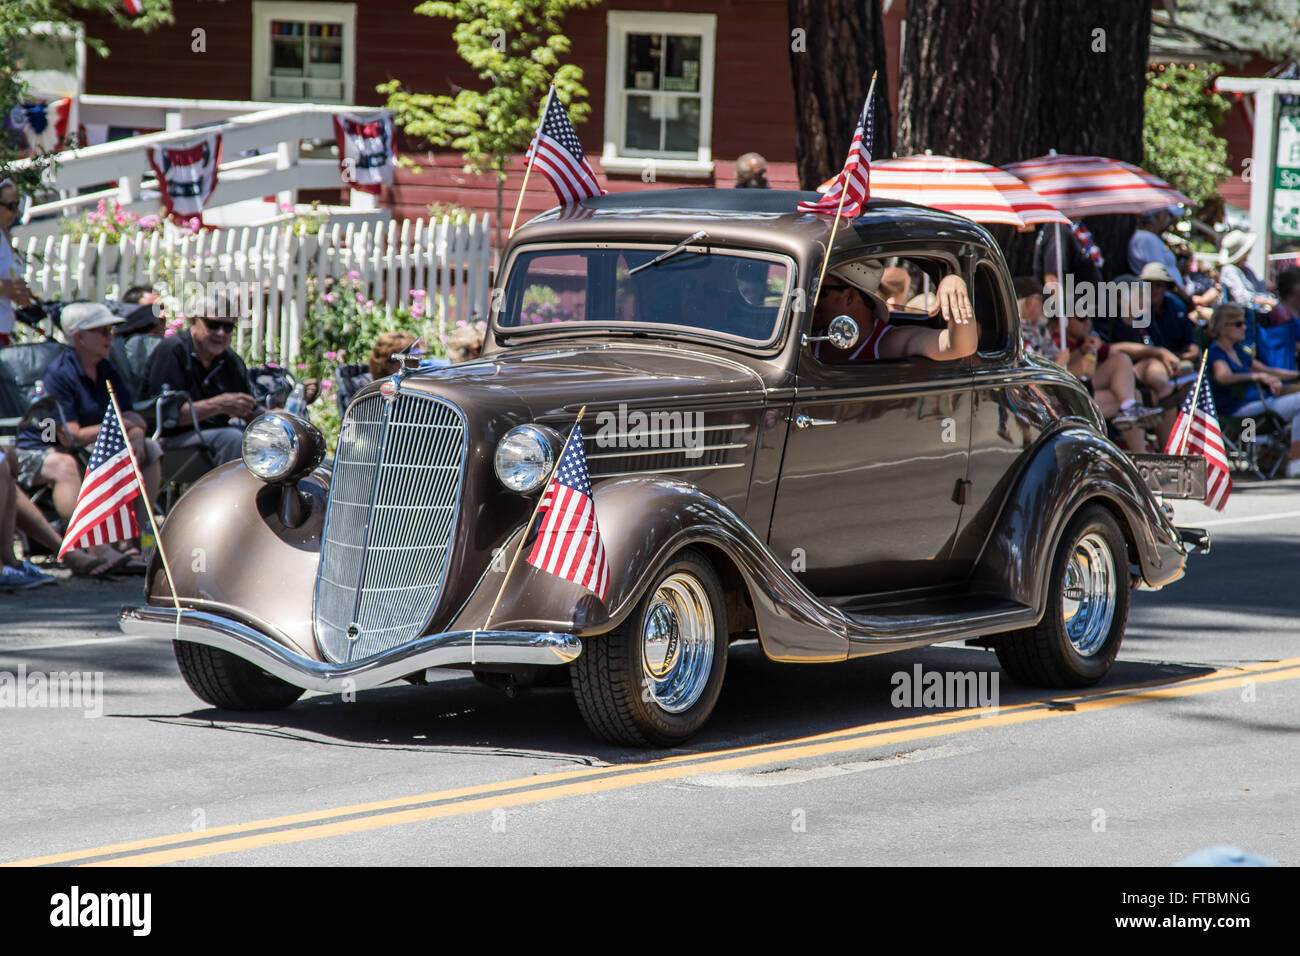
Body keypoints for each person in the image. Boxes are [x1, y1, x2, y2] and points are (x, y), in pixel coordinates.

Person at [144, 292, 261, 464]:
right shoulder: (172, 352)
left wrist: (279, 418)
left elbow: (251, 409)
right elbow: (166, 418)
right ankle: (229, 491)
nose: (221, 333)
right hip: (170, 441)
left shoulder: (229, 360)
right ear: (193, 321)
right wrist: (218, 405)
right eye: (213, 324)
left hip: (214, 436)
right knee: (233, 439)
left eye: (228, 327)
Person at [810, 261, 976, 362]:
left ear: (850, 297)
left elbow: (958, 347)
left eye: (820, 292)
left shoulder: (886, 342)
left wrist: (953, 283)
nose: (812, 301)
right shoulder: (807, 335)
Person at [1206, 303, 1300, 477]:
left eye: (1244, 323)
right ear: (1222, 327)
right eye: (1238, 324)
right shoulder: (1216, 352)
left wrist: (1295, 374)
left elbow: (1268, 370)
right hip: (1238, 412)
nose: (1244, 328)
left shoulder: (1238, 351)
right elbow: (1223, 377)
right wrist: (1255, 377)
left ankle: (1291, 459)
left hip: (1260, 403)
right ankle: (1296, 463)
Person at [1054, 311, 1161, 447]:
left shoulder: (1085, 341)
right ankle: (1128, 409)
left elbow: (1116, 352)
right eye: (1081, 318)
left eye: (1089, 317)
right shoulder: (1056, 340)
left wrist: (1159, 352)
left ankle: (1139, 457)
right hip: (1067, 402)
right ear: (1065, 320)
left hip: (1089, 392)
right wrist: (1081, 353)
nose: (1087, 323)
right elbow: (1069, 372)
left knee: (1124, 368)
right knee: (1134, 396)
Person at [0, 177, 33, 348]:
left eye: (18, 206)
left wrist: (18, 292)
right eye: (11, 206)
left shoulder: (4, 235)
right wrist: (6, 287)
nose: (17, 213)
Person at [1127, 207, 1184, 290]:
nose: (1171, 221)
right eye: (1169, 215)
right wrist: (1185, 297)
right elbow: (1158, 272)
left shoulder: (1148, 237)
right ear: (1160, 215)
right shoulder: (1147, 238)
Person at [1014, 276, 1065, 365]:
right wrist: (1060, 362)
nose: (1042, 305)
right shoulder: (1016, 333)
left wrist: (1082, 351)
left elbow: (1056, 355)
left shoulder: (1040, 330)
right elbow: (1034, 370)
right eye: (1040, 299)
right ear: (1029, 302)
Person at [1218, 230, 1273, 311]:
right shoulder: (1229, 270)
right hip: (1242, 312)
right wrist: (1267, 301)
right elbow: (1241, 297)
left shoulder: (1246, 269)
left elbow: (1260, 288)